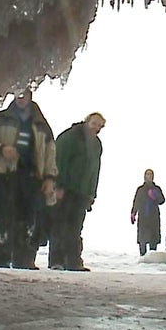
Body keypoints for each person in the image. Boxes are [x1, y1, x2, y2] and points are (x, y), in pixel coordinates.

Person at [0, 90, 58, 269]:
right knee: (1, 216)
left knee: (29, 218)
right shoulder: (2, 118)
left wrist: (50, 177)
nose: (21, 98)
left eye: (24, 94)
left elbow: (50, 152)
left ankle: (24, 259)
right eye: (18, 93)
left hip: (32, 176)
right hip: (4, 174)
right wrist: (1, 149)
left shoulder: (41, 124)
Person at [52, 112, 105, 270]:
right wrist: (58, 186)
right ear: (87, 121)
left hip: (82, 192)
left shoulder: (96, 144)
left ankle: (73, 261)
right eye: (94, 123)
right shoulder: (70, 137)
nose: (96, 127)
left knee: (75, 227)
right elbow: (58, 161)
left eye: (99, 125)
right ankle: (57, 261)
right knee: (61, 225)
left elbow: (95, 170)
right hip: (66, 188)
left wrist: (91, 193)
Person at [130, 169, 165, 256]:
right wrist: (133, 213)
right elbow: (136, 201)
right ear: (144, 176)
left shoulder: (157, 188)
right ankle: (142, 257)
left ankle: (152, 258)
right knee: (142, 239)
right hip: (143, 216)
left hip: (154, 216)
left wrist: (155, 196)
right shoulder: (140, 189)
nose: (149, 176)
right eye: (147, 174)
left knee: (153, 238)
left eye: (150, 174)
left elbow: (162, 200)